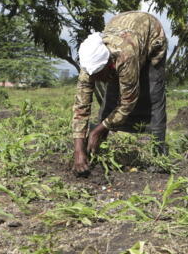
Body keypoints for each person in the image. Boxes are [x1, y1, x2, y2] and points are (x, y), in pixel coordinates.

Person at [71, 11, 168, 176]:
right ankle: (96, 151)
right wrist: (78, 150)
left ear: (110, 64)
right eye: (93, 76)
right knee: (111, 95)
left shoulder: (125, 57)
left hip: (151, 36)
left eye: (99, 76)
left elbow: (127, 102)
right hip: (122, 28)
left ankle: (158, 156)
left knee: (153, 94)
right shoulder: (89, 67)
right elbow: (81, 108)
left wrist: (97, 130)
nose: (97, 80)